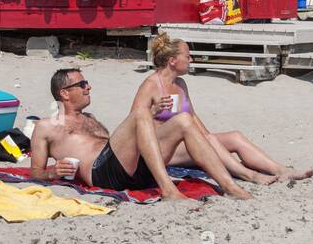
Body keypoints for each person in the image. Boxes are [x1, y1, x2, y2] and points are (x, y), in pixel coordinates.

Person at [30, 66, 252, 202]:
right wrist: (52, 173)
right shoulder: (46, 127)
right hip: (103, 174)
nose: (89, 87)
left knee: (183, 120)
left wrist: (152, 117)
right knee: (139, 113)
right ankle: (168, 190)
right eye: (82, 84)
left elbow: (120, 146)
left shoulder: (91, 118)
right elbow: (35, 172)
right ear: (64, 93)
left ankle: (230, 187)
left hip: (133, 169)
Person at [147, 32, 313, 183]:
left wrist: (208, 139)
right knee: (210, 141)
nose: (191, 60)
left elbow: (192, 117)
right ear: (172, 61)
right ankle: (250, 175)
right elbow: (134, 124)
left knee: (234, 137)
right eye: (187, 56)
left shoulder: (180, 84)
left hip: (186, 143)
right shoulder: (152, 86)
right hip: (163, 151)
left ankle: (281, 170)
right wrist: (153, 111)